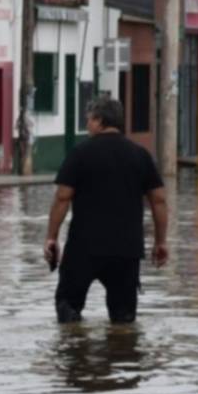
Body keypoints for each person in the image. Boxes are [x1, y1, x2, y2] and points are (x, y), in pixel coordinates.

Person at [44, 98, 168, 324]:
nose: (87, 125)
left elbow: (62, 197)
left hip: (83, 248)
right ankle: (120, 354)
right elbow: (159, 200)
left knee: (67, 308)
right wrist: (161, 242)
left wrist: (51, 238)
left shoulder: (80, 153)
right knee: (123, 320)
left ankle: (73, 354)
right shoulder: (140, 155)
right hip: (126, 250)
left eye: (89, 120)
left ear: (100, 121)